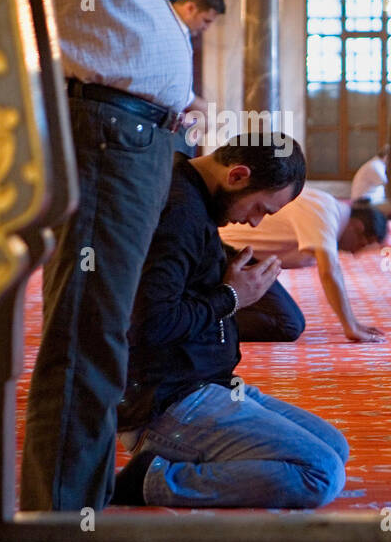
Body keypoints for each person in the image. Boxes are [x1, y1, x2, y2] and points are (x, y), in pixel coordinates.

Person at [20, 0, 202, 512]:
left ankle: (82, 508)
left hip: (141, 136)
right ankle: (62, 529)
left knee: (109, 331)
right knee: (86, 337)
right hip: (106, 132)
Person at [113, 138, 349, 509]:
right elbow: (150, 324)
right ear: (237, 175)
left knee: (335, 447)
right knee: (320, 474)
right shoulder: (179, 215)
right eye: (260, 208)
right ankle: (150, 480)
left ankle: (201, 454)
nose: (254, 222)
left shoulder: (193, 194)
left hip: (208, 384)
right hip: (166, 403)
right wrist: (232, 296)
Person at [220, 184, 388, 343]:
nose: (354, 253)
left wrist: (354, 322)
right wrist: (351, 326)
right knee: (286, 324)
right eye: (361, 245)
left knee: (291, 321)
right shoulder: (325, 211)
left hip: (243, 255)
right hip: (227, 251)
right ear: (358, 228)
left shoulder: (329, 208)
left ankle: (212, 313)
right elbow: (330, 271)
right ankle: (209, 322)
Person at [169, 0, 227, 154]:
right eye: (206, 21)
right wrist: (197, 104)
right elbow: (169, 82)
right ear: (191, 8)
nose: (206, 28)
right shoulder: (169, 29)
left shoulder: (179, 31)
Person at [350, 144, 391, 217]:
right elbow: (390, 189)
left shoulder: (377, 164)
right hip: (363, 204)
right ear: (387, 157)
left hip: (369, 201)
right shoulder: (375, 166)